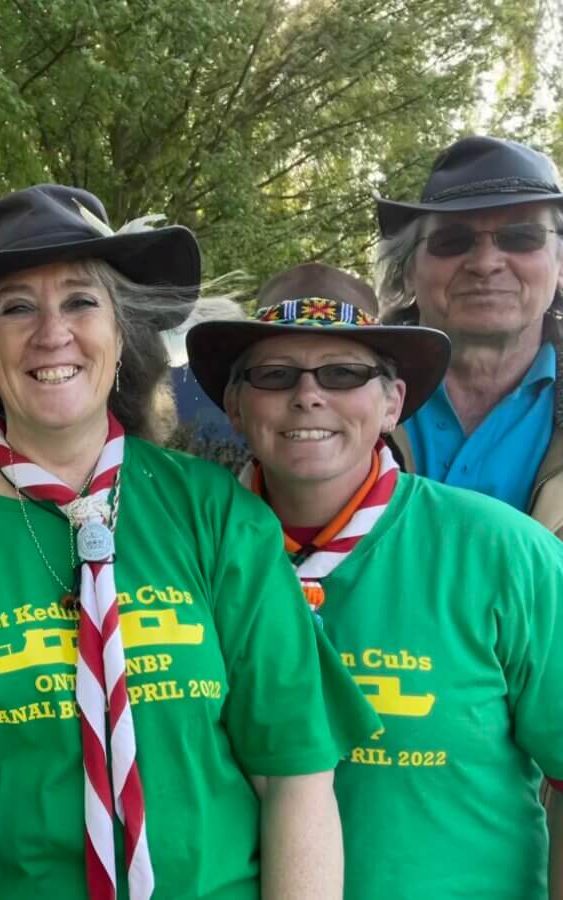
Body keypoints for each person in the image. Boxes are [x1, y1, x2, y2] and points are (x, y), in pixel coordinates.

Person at [0, 184, 378, 899]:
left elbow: (293, 774)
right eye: (17, 308)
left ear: (123, 333)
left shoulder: (216, 514)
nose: (52, 333)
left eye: (80, 301)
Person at [186, 264, 563, 898]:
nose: (309, 396)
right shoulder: (185, 556)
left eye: (343, 374)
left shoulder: (505, 553)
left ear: (392, 403)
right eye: (275, 376)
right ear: (235, 406)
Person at [374, 135, 563, 535]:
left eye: (521, 237)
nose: (485, 263)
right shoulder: (337, 389)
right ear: (408, 271)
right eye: (452, 241)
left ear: (560, 263)